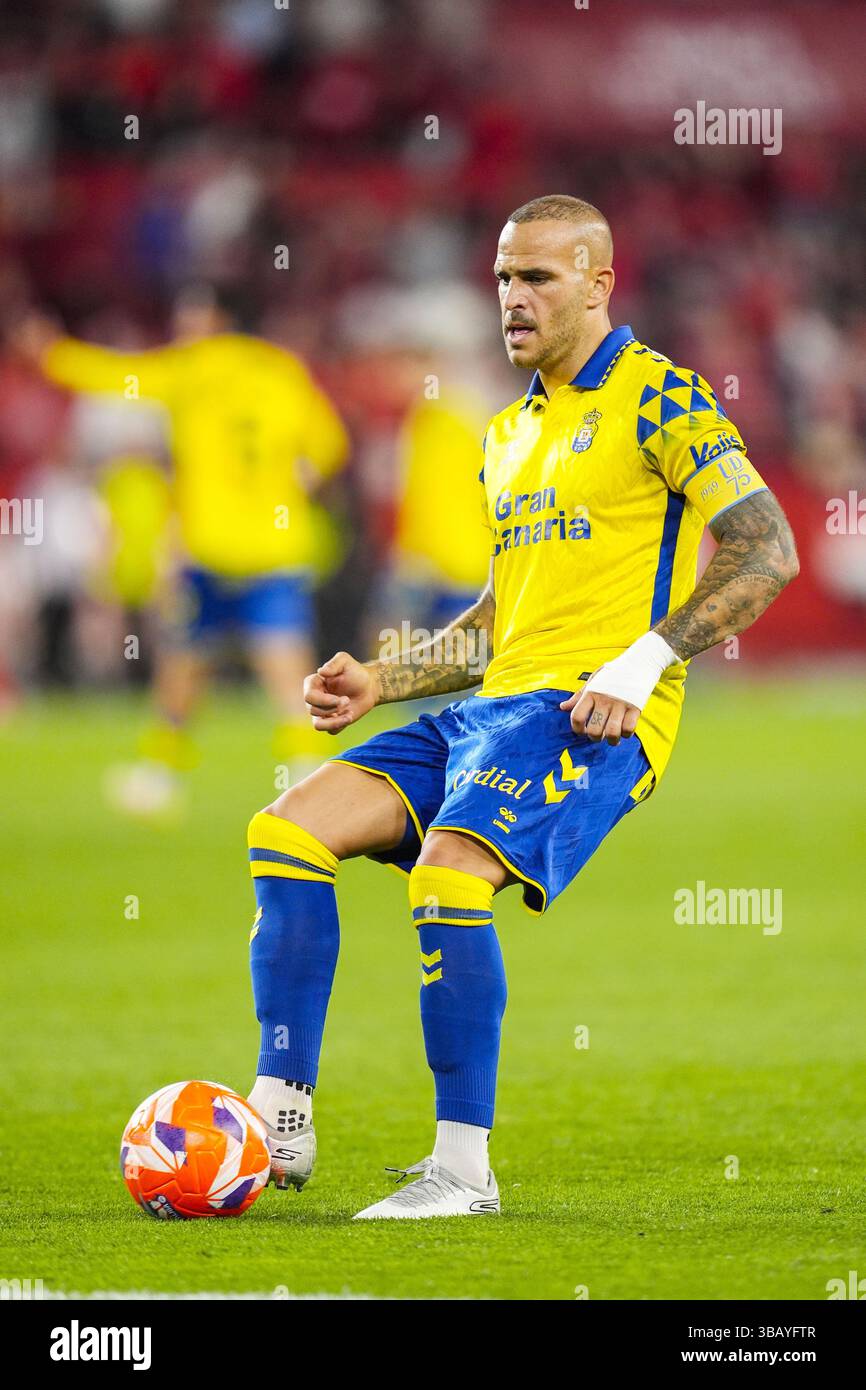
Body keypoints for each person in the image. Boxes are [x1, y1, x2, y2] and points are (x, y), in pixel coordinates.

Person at [244, 195, 799, 1220]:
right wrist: (383, 677)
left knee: (447, 878)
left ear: (597, 283)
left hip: (592, 716)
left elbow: (766, 548)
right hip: (490, 707)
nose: (512, 298)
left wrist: (640, 664)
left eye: (537, 277)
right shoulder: (507, 432)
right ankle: (277, 1112)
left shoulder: (660, 399)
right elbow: (502, 619)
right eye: (501, 278)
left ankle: (461, 1171)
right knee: (286, 829)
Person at [17, 286, 349, 812]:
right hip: (275, 542)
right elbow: (328, 448)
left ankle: (159, 772)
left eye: (191, 313)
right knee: (284, 660)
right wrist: (288, 488)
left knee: (186, 661)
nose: (182, 323)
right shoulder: (282, 370)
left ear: (217, 318)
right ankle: (308, 767)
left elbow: (117, 376)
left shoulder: (195, 367)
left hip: (211, 545)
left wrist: (50, 352)